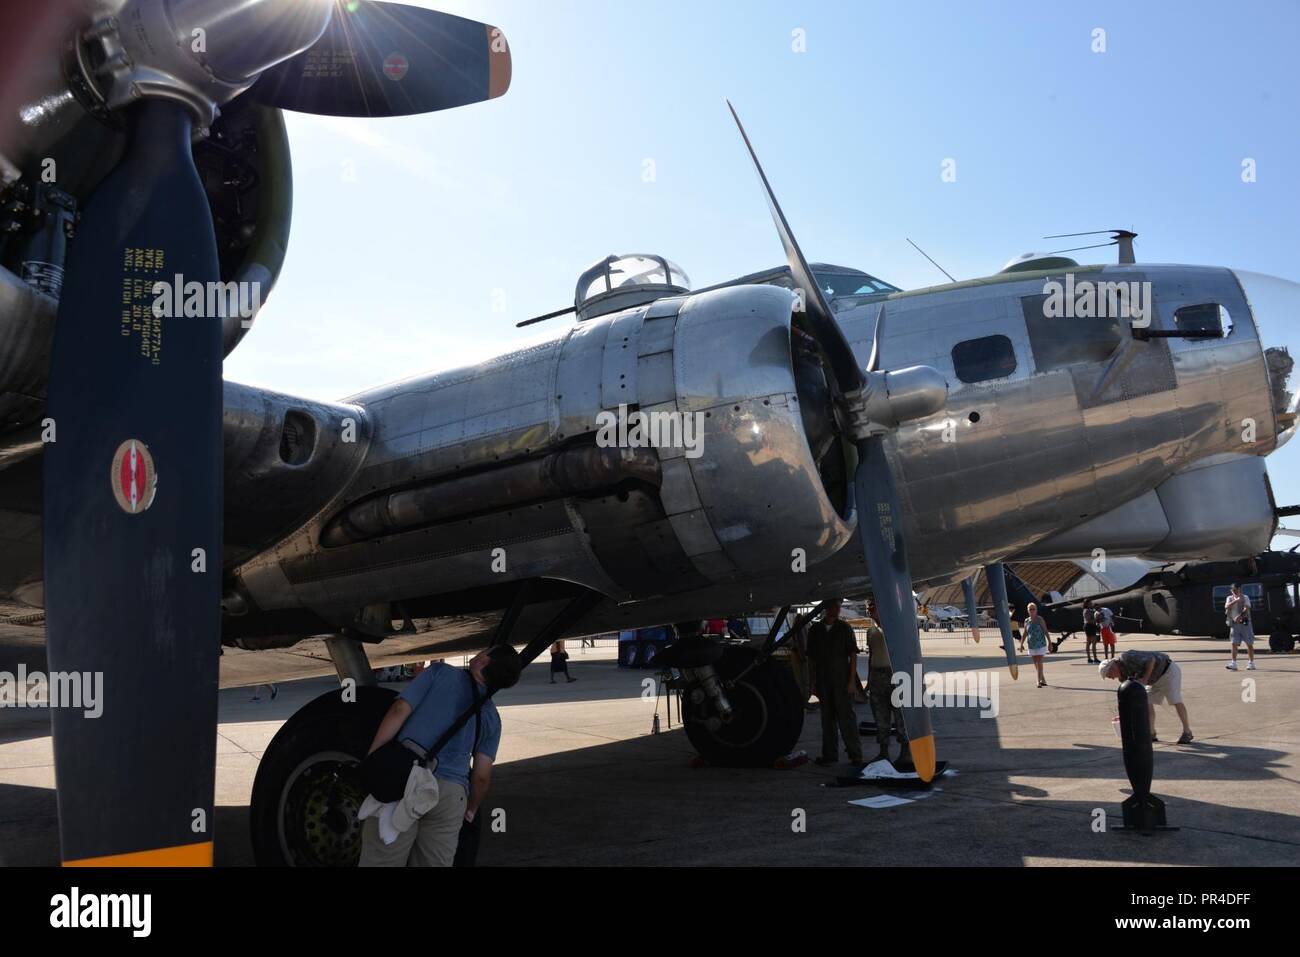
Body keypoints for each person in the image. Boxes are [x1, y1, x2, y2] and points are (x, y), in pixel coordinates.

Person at [359, 645, 522, 866]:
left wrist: (373, 757)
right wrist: (471, 809)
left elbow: (399, 710)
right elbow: (482, 777)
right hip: (451, 797)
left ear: (483, 660)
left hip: (405, 782)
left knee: (383, 860)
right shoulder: (492, 718)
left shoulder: (440, 674)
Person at [806, 598, 865, 767]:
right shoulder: (815, 629)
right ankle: (829, 754)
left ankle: (856, 754)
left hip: (842, 680)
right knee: (827, 719)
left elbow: (852, 654)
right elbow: (811, 659)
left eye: (839, 607)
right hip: (824, 681)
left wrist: (852, 681)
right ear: (827, 608)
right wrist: (812, 683)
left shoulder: (844, 628)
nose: (838, 610)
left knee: (847, 718)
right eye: (835, 607)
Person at [1099, 650, 1193, 744]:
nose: (1111, 678)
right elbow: (1131, 695)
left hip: (1167, 671)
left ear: (1112, 668)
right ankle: (1151, 733)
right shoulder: (1123, 677)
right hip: (1154, 679)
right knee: (1147, 701)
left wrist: (1145, 678)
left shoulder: (1127, 657)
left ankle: (1187, 732)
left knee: (1175, 699)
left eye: (1109, 675)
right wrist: (1123, 714)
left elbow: (1151, 660)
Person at [864, 601, 909, 765]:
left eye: (873, 607)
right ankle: (884, 752)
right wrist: (869, 681)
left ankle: (905, 751)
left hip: (895, 675)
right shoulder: (871, 631)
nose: (870, 610)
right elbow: (872, 656)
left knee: (900, 715)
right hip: (877, 675)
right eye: (869, 608)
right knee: (880, 715)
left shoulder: (895, 628)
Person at [1225, 584, 1257, 671]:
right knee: (1233, 643)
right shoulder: (1229, 598)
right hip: (1234, 624)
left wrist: (1240, 616)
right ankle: (1234, 663)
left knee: (1249, 643)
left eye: (1236, 590)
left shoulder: (1245, 597)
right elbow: (1227, 606)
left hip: (1245, 623)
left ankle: (1251, 663)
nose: (1235, 591)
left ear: (1239, 589)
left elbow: (1247, 608)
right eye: (1233, 590)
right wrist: (1235, 601)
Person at [1023, 602, 1051, 687]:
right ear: (1028, 610)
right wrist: (1021, 644)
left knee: (1039, 662)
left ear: (1036, 610)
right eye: (1030, 609)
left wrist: (1050, 642)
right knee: (1036, 663)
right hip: (1031, 645)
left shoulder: (1040, 619)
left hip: (1040, 644)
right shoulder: (1027, 621)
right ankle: (1043, 679)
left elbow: (1045, 631)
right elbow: (1025, 633)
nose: (1032, 610)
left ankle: (1038, 681)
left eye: (1033, 609)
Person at [1082, 598, 1100, 664]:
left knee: (1089, 642)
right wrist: (1097, 620)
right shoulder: (1086, 610)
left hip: (1089, 626)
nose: (1091, 604)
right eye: (1090, 603)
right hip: (1089, 626)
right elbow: (1089, 620)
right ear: (1086, 604)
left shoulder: (1090, 610)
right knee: (1093, 643)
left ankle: (1089, 659)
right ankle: (1094, 658)